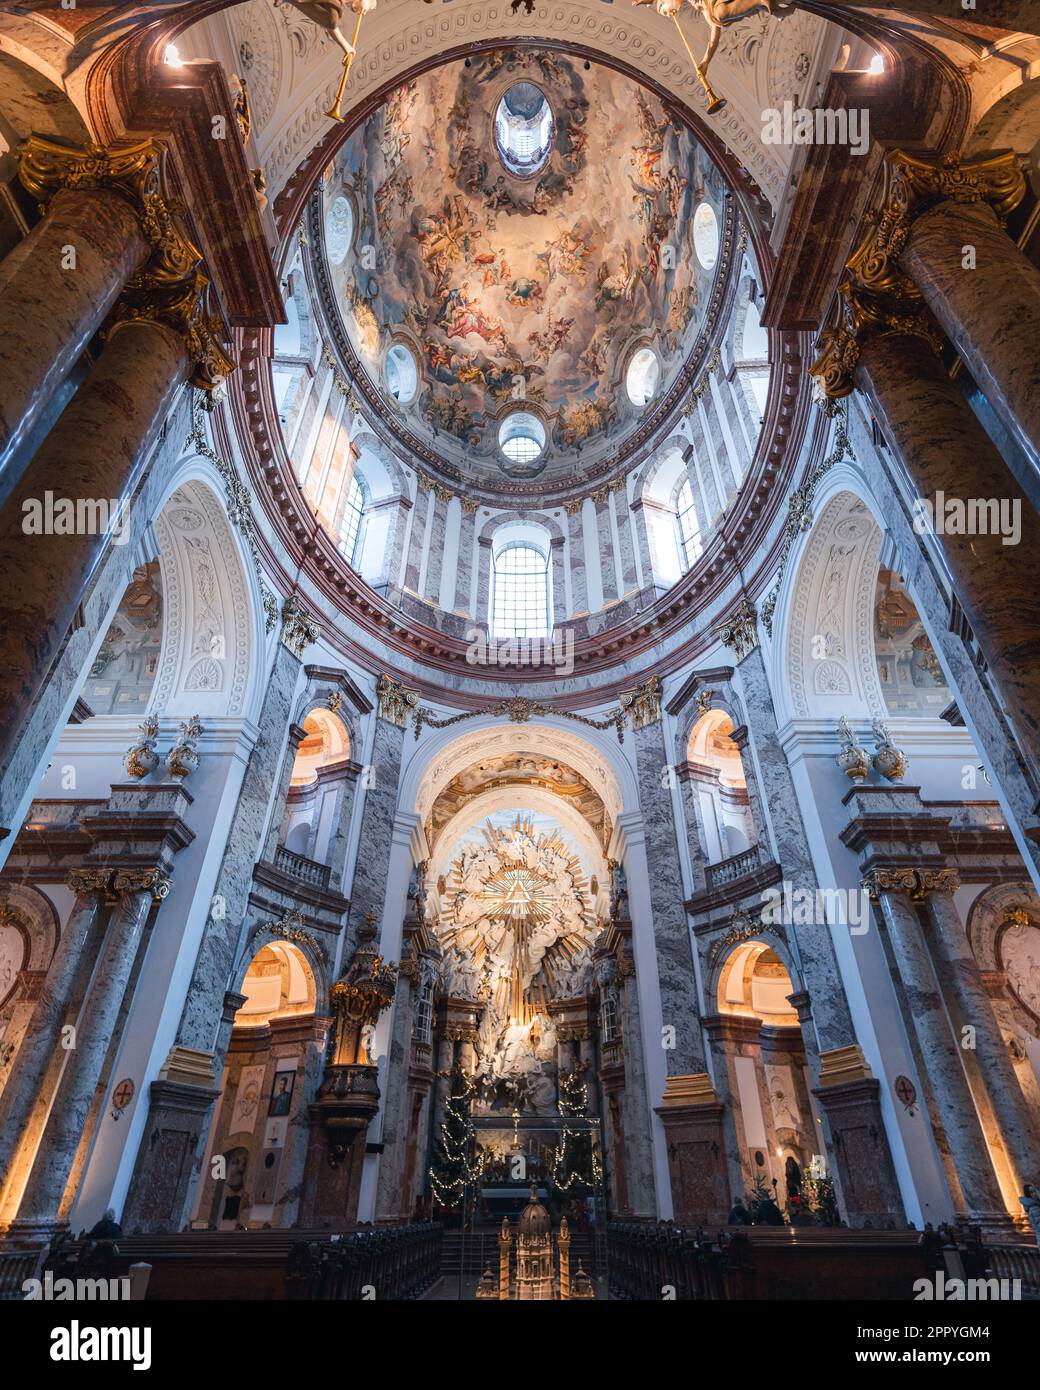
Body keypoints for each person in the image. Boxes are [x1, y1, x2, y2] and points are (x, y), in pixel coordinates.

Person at [1020, 1183, 1040, 1248]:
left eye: (1034, 1191)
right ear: (1028, 1194)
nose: (1034, 1193)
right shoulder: (1033, 1207)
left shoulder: (1036, 1203)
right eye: (1031, 1192)